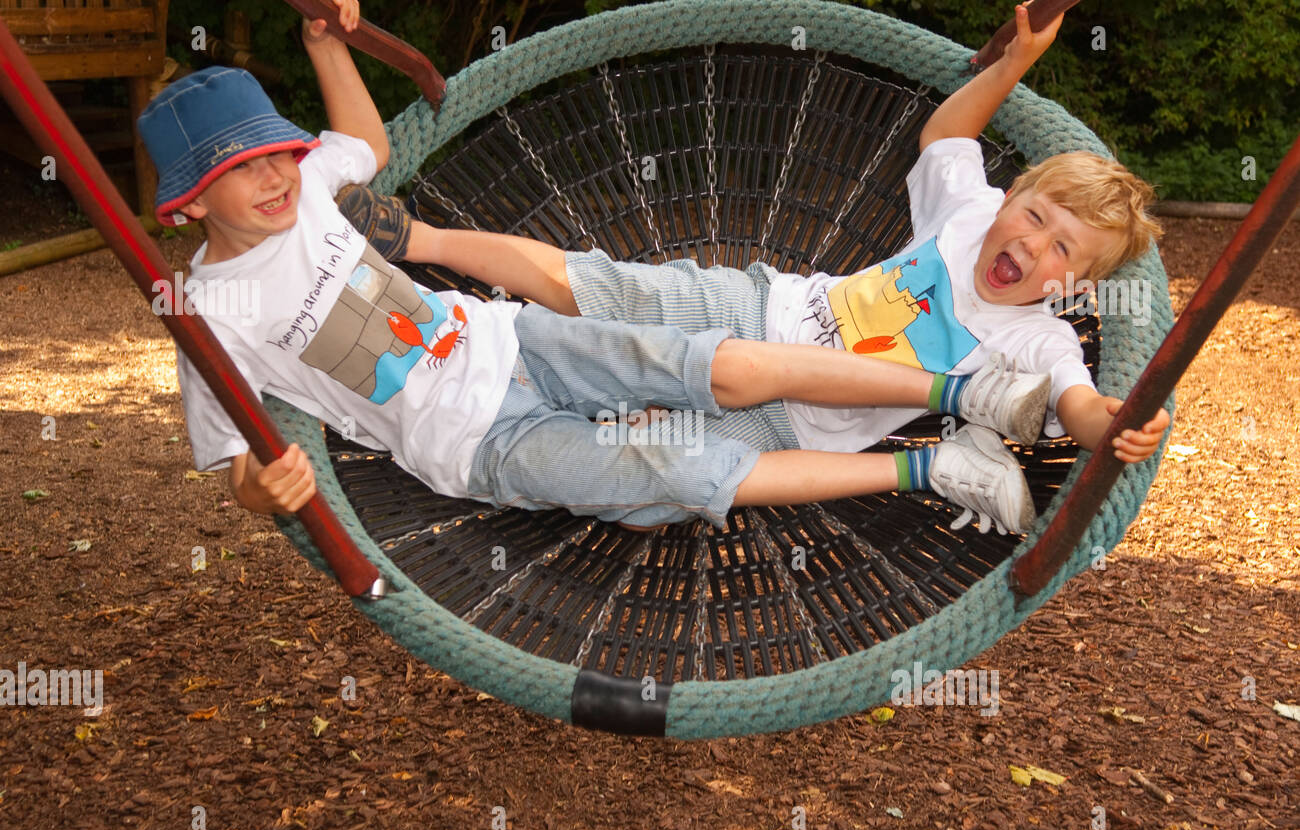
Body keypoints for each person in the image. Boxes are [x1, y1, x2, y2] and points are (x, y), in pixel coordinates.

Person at [134, 2, 1110, 537]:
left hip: (508, 335)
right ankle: (934, 460)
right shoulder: (207, 314)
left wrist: (323, 39)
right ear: (184, 205)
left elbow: (358, 143)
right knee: (672, 462)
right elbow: (236, 468)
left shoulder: (307, 188)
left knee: (701, 361)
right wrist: (273, 487)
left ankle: (959, 396)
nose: (270, 178)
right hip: (467, 438)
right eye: (238, 169)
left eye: (274, 153)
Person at [361, 3, 1170, 491]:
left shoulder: (1040, 338)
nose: (1032, 244)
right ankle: (416, 235)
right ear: (1013, 196)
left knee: (653, 465)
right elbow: (947, 132)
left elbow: (1075, 407)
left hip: (795, 426)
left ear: (1079, 285)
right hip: (761, 307)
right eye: (1033, 216)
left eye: (1064, 250)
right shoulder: (969, 214)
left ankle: (513, 406)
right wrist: (1013, 65)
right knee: (592, 285)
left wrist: (1116, 426)